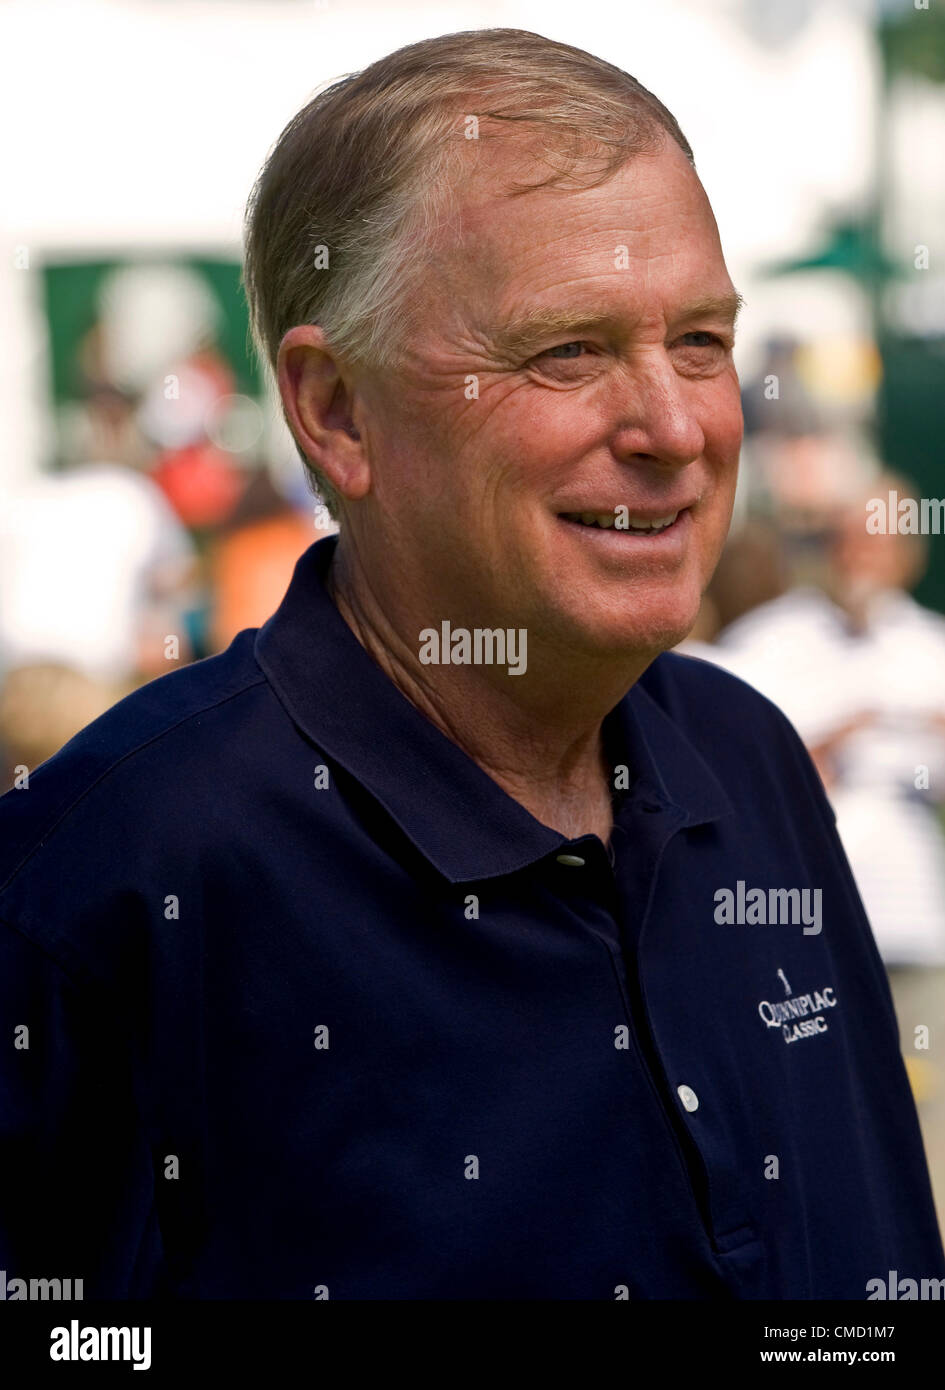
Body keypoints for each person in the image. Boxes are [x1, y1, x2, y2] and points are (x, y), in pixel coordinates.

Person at [0, 29, 941, 1301]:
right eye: (570, 351)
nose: (676, 427)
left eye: (705, 342)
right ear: (336, 411)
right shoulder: (104, 882)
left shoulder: (745, 758)